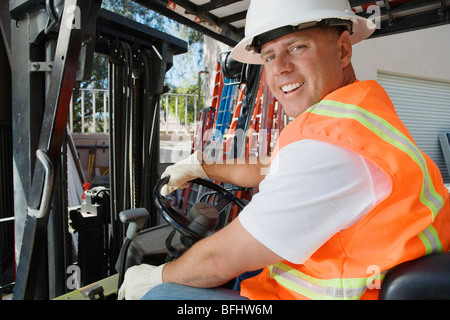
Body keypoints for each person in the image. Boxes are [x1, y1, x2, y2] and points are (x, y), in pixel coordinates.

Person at [118, 0, 450, 300]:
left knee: (163, 295)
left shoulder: (329, 149)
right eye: (269, 56)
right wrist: (200, 166)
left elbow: (218, 260)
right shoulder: (350, 118)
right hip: (341, 280)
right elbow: (268, 168)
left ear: (344, 50)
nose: (280, 68)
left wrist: (153, 275)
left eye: (297, 47)